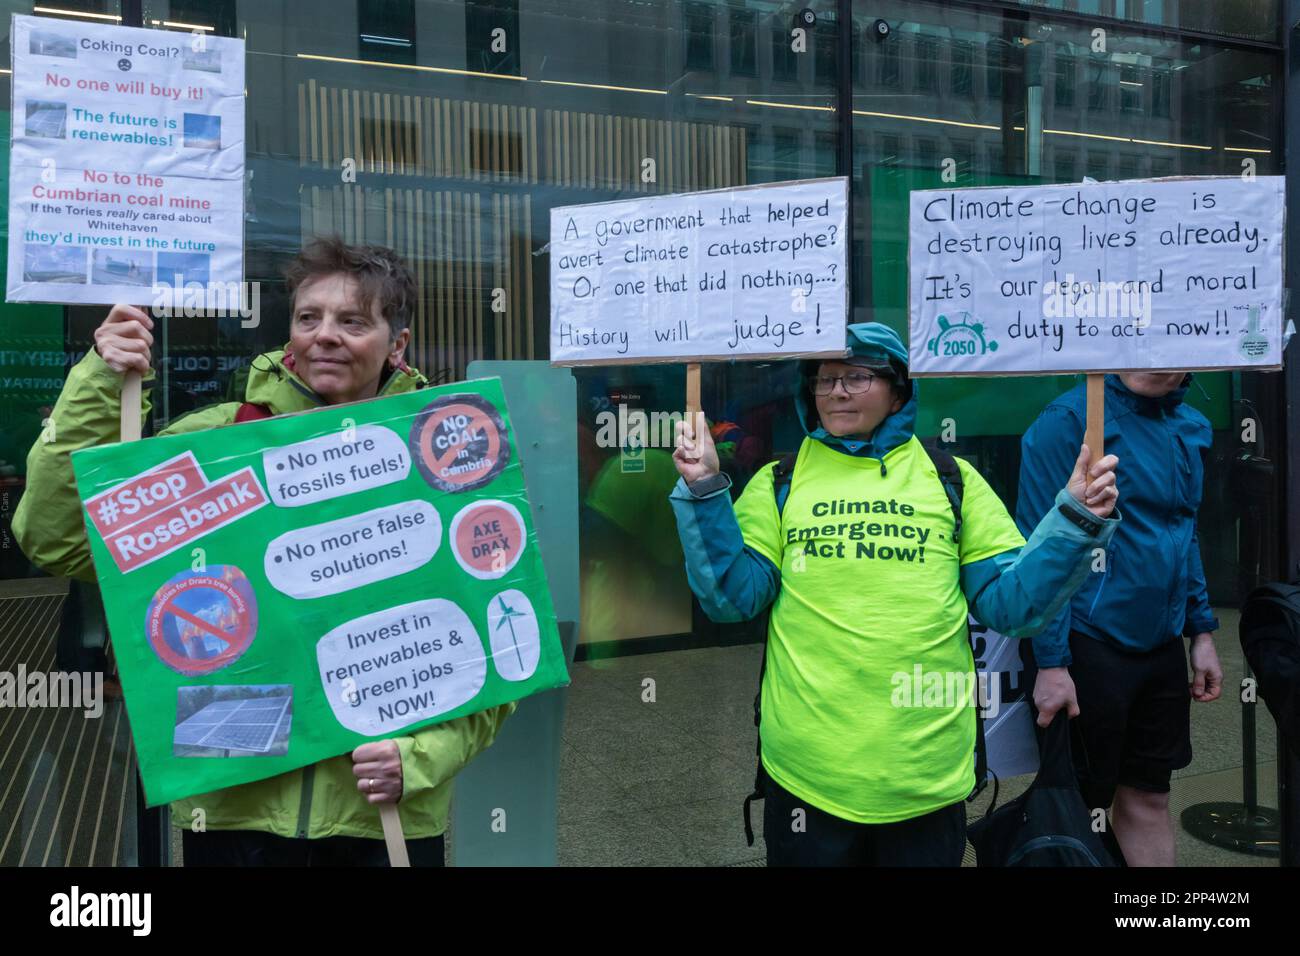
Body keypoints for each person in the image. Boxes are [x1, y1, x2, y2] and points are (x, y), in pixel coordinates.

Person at [13, 237, 513, 867]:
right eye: (309, 318)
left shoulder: (444, 457)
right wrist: (97, 381)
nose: (325, 335)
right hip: (232, 813)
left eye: (353, 320)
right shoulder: (221, 442)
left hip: (382, 819)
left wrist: (418, 759)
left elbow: (498, 653)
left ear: (398, 343)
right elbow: (54, 538)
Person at [669, 322, 1120, 867]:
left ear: (899, 389)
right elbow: (731, 599)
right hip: (808, 775)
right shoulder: (778, 481)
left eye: (858, 377)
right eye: (824, 379)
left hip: (925, 776)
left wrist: (1072, 521)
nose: (837, 391)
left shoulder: (952, 478)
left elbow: (1013, 607)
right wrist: (704, 491)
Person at [1017, 372, 1222, 867]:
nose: (1157, 361)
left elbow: (1183, 531)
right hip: (1087, 641)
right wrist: (1050, 662)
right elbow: (1037, 552)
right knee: (1079, 805)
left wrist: (1202, 630)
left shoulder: (1190, 424)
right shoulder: (1064, 423)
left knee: (1149, 796)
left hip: (1161, 644)